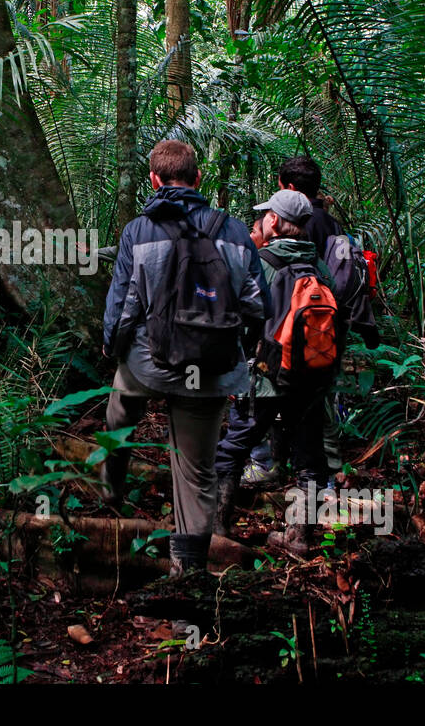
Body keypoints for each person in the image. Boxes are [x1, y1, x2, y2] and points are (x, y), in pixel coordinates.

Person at [101, 139, 267, 575]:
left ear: (154, 180)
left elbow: (125, 306)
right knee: (197, 473)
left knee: (120, 409)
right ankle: (187, 572)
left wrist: (112, 347)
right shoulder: (236, 232)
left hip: (149, 363)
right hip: (210, 368)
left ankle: (110, 489)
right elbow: (257, 307)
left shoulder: (138, 231)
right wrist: (236, 349)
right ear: (198, 178)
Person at [214, 189, 334, 554]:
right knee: (310, 458)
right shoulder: (320, 267)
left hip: (264, 378)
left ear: (276, 221)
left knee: (234, 448)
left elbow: (238, 321)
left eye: (268, 213)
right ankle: (300, 537)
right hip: (310, 379)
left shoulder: (261, 263)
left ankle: (217, 529)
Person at [277, 157, 380, 477]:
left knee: (306, 397)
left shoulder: (301, 225)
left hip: (307, 324)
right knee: (323, 393)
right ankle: (321, 464)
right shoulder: (333, 224)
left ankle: (318, 468)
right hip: (334, 321)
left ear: (291, 189)